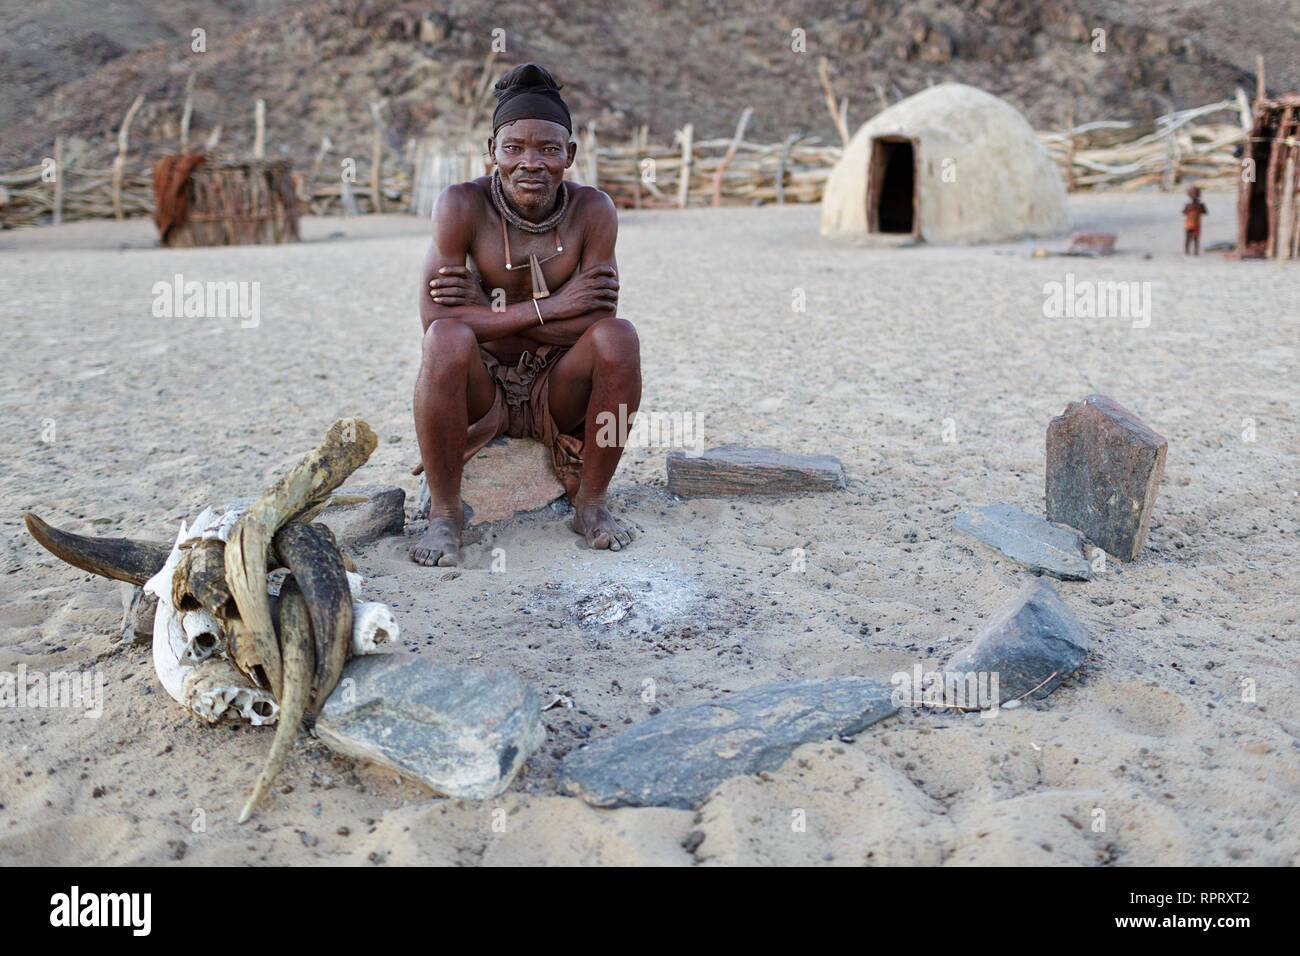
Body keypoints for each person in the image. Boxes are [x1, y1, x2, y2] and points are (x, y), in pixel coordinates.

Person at [410, 63, 641, 567]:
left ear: (570, 156)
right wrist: (555, 305)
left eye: (548, 149)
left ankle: (592, 503)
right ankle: (445, 514)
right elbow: (434, 320)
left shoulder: (593, 210)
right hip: (480, 388)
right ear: (491, 152)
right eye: (513, 148)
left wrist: (481, 310)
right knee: (447, 340)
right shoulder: (461, 205)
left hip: (559, 390)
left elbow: (598, 321)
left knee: (619, 338)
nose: (529, 163)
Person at [1183, 185, 1207, 255]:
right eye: (1193, 193)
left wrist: (1199, 207)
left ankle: (1195, 251)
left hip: (1196, 225)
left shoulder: (1200, 205)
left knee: (1196, 238)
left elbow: (1204, 212)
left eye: (1196, 193)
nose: (1194, 195)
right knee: (1188, 238)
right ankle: (1187, 250)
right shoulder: (1188, 205)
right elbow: (1184, 212)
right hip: (1189, 225)